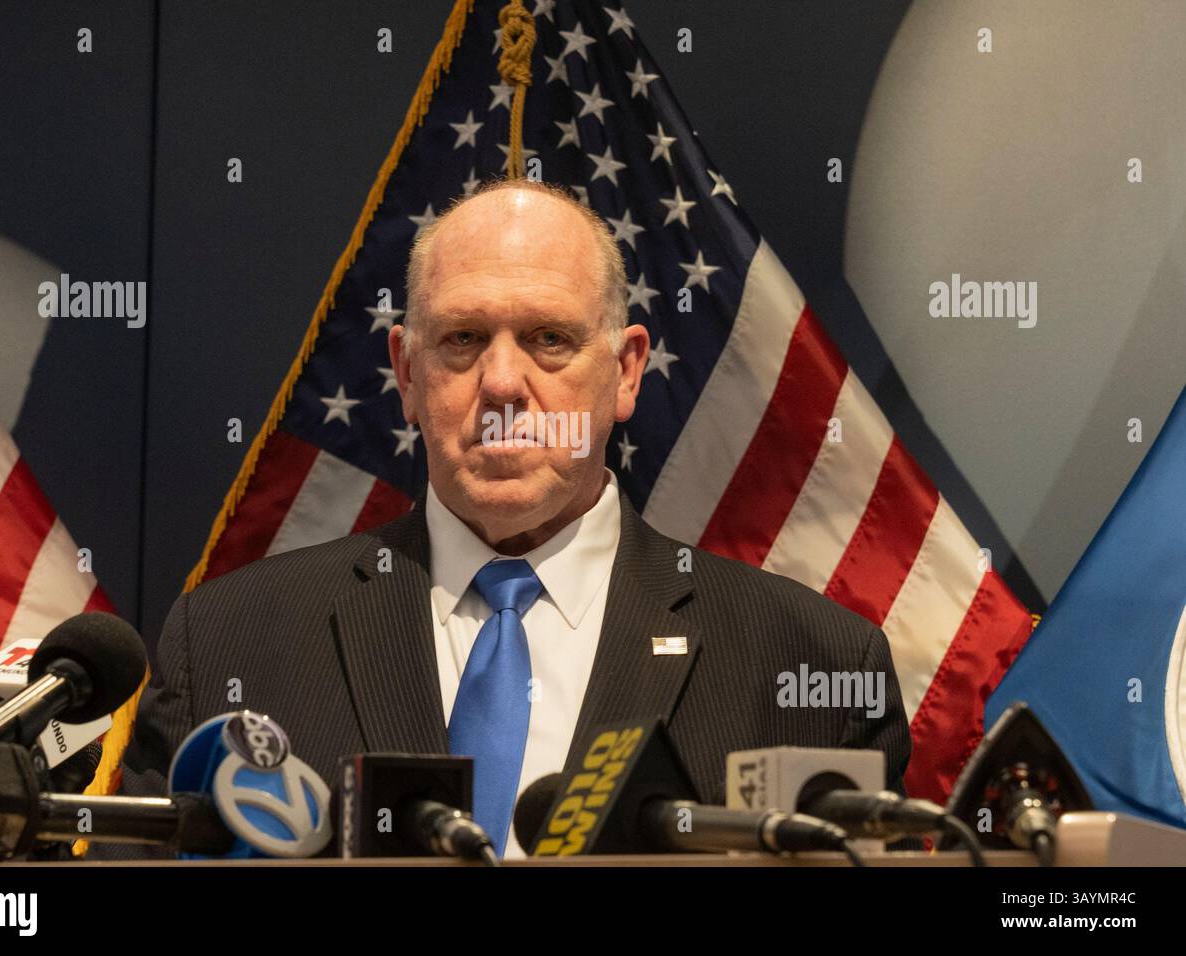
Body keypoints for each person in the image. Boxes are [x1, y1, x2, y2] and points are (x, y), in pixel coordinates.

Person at [111, 178, 910, 858]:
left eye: (548, 339)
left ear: (626, 372)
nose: (501, 382)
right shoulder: (227, 643)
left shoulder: (811, 667)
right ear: (407, 373)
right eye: (462, 338)